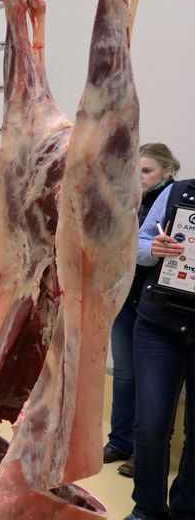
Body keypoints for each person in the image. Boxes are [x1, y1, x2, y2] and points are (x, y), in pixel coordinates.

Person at [105, 143, 179, 477]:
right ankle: (120, 441)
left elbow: (141, 250)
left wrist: (142, 250)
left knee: (151, 381)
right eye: (135, 170)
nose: (140, 177)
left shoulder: (177, 202)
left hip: (157, 304)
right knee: (123, 374)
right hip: (124, 296)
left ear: (167, 170)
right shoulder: (125, 199)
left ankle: (142, 452)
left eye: (146, 170)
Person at [124, 175, 194, 520]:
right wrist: (154, 248)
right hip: (159, 326)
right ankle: (147, 509)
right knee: (150, 425)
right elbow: (137, 247)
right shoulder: (179, 192)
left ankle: (187, 510)